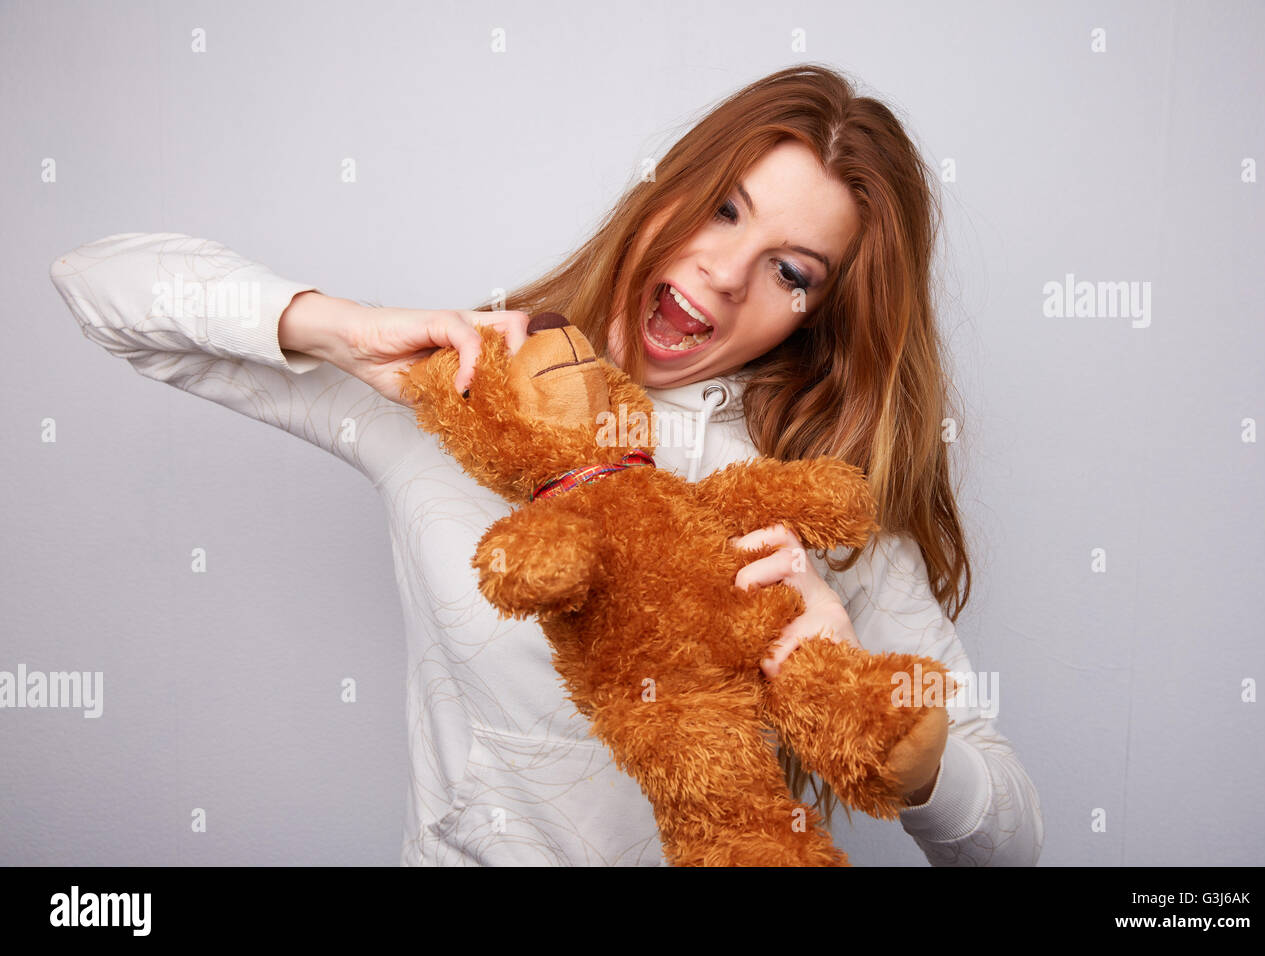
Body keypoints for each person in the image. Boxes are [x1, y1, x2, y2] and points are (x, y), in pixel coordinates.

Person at [48, 64, 1042, 866]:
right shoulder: (465, 394)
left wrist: (894, 733)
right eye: (724, 209)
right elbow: (100, 289)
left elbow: (1009, 840)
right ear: (668, 191)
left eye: (792, 270)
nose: (725, 271)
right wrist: (341, 331)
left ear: (813, 317)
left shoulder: (808, 492)